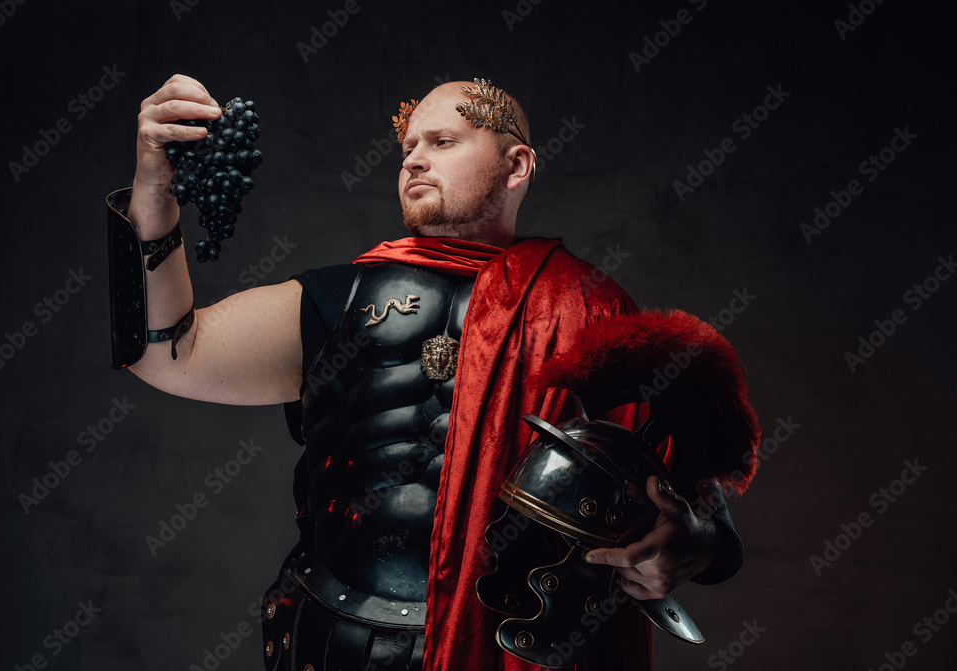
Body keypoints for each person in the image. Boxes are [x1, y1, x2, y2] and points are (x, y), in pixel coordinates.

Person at [106, 74, 758, 670]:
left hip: (517, 650)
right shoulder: (337, 299)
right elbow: (167, 351)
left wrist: (692, 541)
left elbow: (694, 497)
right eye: (408, 147)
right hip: (340, 641)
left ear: (517, 165)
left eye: (443, 140)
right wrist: (154, 190)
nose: (414, 157)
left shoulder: (590, 309)